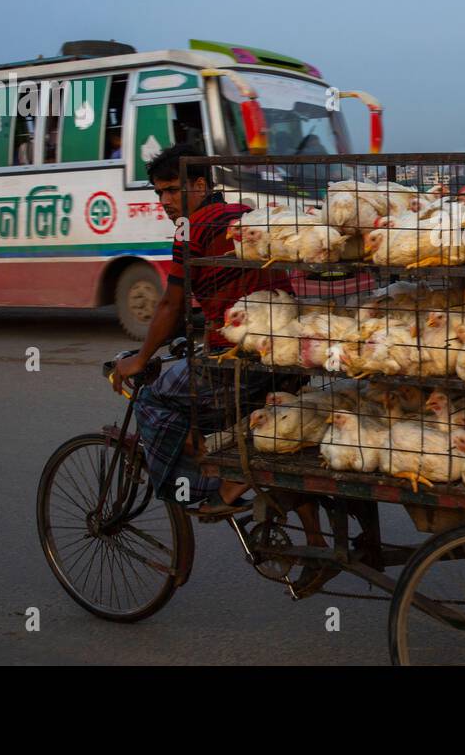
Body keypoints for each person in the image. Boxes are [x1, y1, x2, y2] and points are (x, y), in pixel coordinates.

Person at [109, 144, 330, 589]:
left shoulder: (193, 227)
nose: (166, 202)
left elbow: (170, 302)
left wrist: (141, 358)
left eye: (173, 190)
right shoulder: (244, 216)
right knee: (275, 439)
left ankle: (214, 490)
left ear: (201, 185)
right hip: (283, 359)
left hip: (234, 370)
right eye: (159, 194)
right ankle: (316, 545)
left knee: (152, 395)